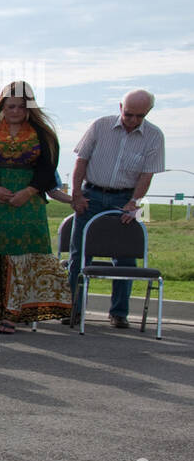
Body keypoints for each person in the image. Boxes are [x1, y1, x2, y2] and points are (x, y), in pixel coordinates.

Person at [0, 81, 71, 334]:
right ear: (2, 106)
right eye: (10, 106)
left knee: (19, 260)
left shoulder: (44, 135)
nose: (15, 111)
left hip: (26, 203)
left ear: (29, 107)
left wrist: (29, 191)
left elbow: (47, 169)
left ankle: (13, 314)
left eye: (21, 107)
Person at [66, 89, 165, 328]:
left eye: (139, 116)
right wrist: (76, 194)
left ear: (147, 113)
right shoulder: (100, 126)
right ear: (121, 107)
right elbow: (81, 160)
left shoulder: (154, 136)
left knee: (125, 258)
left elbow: (146, 174)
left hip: (125, 198)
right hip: (92, 194)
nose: (132, 120)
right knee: (79, 255)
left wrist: (135, 203)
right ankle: (73, 310)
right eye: (129, 114)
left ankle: (119, 313)